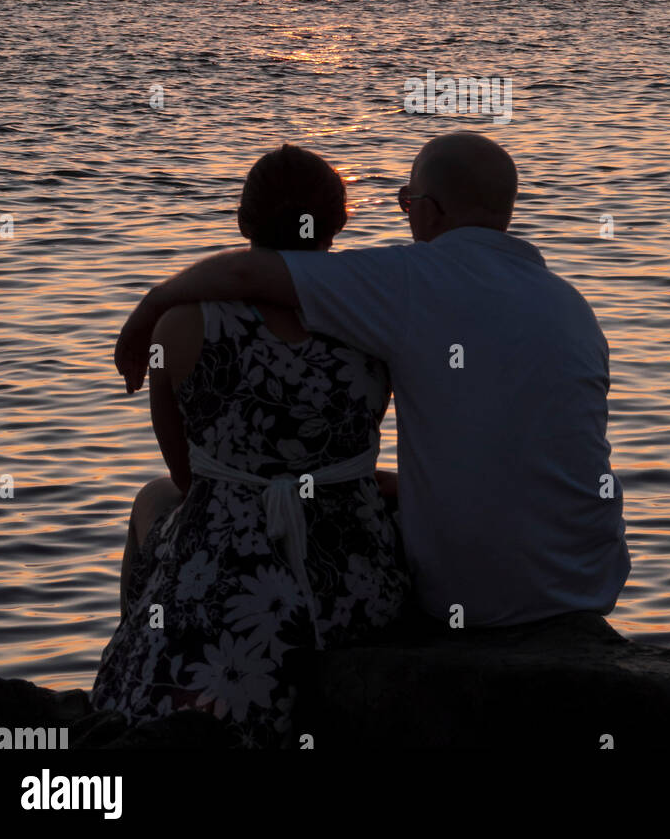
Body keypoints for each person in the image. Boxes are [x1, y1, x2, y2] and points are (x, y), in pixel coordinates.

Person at [115, 131, 630, 630]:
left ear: (429, 208)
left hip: (470, 595)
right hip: (585, 583)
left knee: (156, 499)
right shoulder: (571, 306)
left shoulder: (407, 279)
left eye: (407, 203)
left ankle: (137, 648)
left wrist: (149, 308)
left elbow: (251, 274)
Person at [93, 146, 409, 747]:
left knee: (153, 499)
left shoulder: (182, 325)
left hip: (230, 571)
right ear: (338, 224)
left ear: (243, 223)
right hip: (354, 574)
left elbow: (190, 480)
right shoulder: (371, 319)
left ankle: (144, 644)